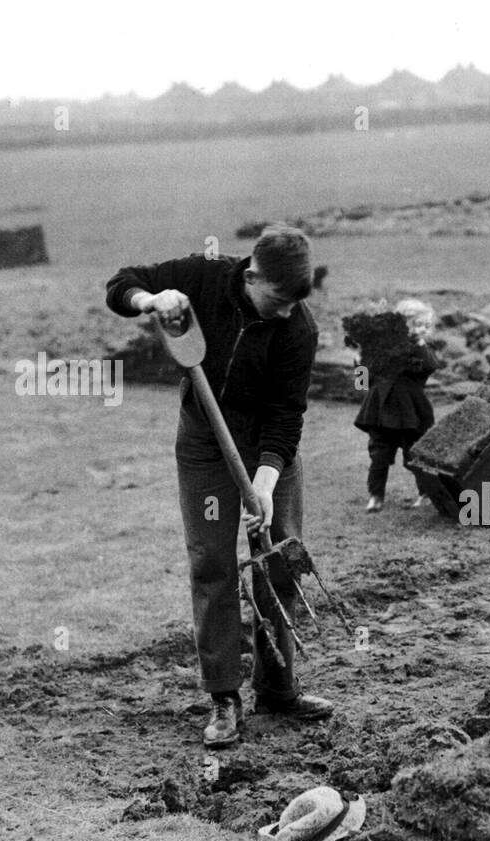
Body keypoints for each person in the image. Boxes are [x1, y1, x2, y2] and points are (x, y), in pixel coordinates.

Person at [105, 224, 334, 746]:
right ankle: (224, 697)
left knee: (278, 565)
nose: (281, 312)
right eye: (275, 299)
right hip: (207, 443)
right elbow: (121, 283)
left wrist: (267, 481)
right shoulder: (202, 280)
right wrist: (151, 298)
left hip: (269, 448)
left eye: (291, 303)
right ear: (252, 276)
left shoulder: (298, 328)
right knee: (212, 564)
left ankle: (278, 689)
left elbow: (287, 414)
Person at [346, 299, 440, 512]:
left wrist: (420, 344)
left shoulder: (421, 350)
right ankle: (375, 496)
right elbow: (363, 384)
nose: (422, 329)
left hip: (411, 413)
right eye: (416, 324)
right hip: (381, 413)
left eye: (425, 325)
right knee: (379, 456)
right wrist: (359, 361)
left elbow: (430, 367)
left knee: (414, 456)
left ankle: (425, 494)